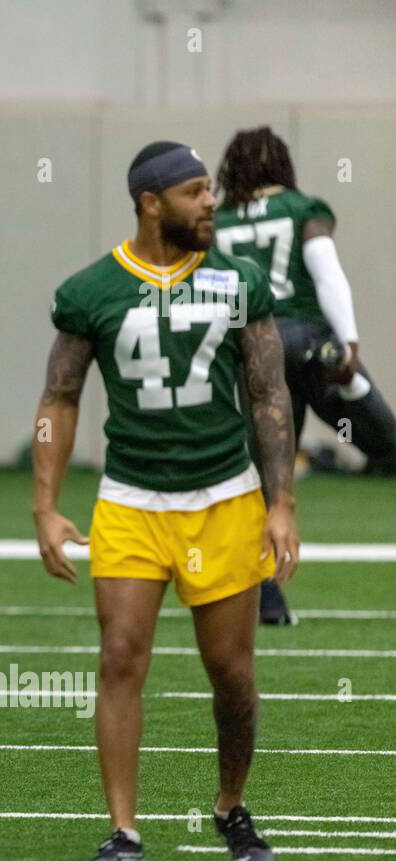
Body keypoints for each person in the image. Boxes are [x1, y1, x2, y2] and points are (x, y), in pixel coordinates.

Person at [33, 141, 299, 861]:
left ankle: (231, 805)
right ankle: (124, 834)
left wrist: (282, 502)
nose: (210, 201)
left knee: (232, 673)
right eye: (192, 192)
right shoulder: (92, 290)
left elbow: (269, 392)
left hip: (223, 495)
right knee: (120, 656)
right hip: (131, 497)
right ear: (151, 204)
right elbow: (60, 396)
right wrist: (46, 503)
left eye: (209, 189)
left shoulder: (239, 280)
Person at [214, 126, 396, 625]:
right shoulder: (301, 208)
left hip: (253, 353)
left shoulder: (219, 219)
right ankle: (349, 381)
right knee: (385, 442)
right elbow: (325, 269)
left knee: (266, 484)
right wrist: (351, 342)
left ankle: (268, 596)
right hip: (306, 342)